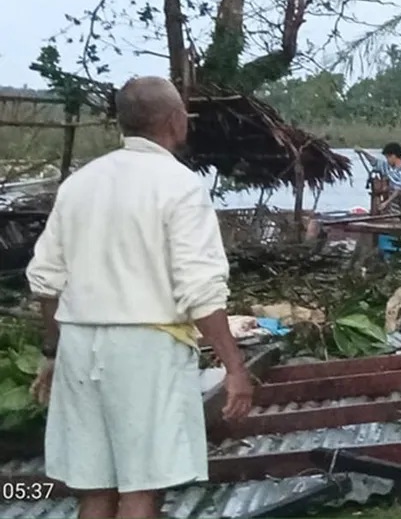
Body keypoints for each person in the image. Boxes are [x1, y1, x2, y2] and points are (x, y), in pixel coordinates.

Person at [25, 76, 252, 519]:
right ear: (174, 121)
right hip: (144, 349)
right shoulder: (179, 186)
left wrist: (53, 352)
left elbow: (46, 280)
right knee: (141, 489)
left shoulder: (80, 183)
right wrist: (235, 367)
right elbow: (201, 291)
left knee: (95, 488)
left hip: (78, 345)